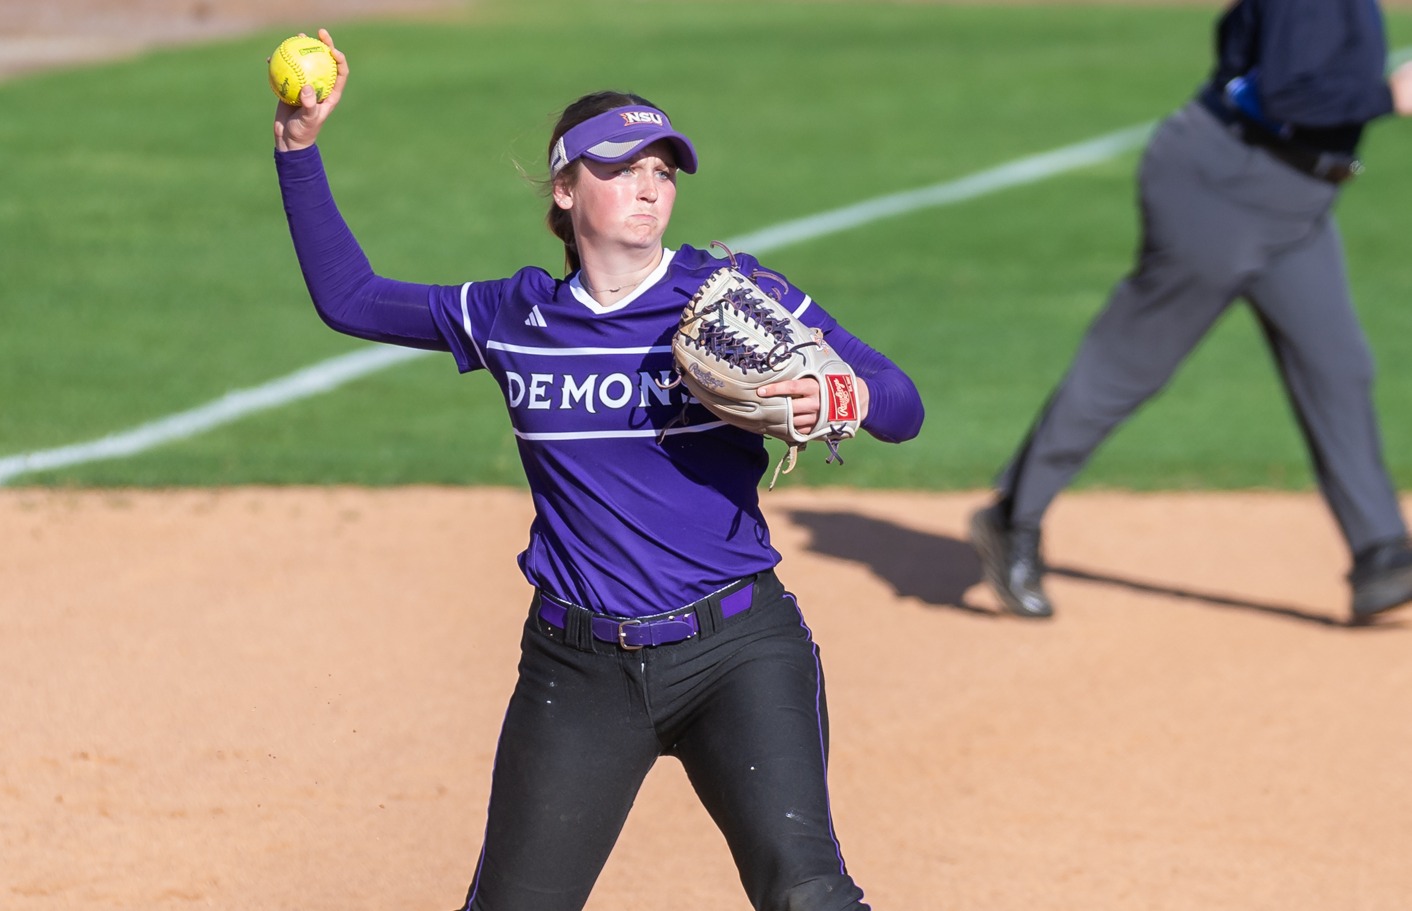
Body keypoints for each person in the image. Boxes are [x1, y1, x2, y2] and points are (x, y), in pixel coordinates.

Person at [271, 29, 923, 911]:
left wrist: (836, 400)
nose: (650, 185)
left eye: (664, 171)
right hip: (578, 672)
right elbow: (350, 298)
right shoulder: (512, 317)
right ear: (566, 188)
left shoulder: (730, 297)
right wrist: (298, 152)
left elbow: (902, 402)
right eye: (623, 168)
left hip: (736, 649)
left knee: (809, 894)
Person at [971, 0, 1412, 624]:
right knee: (1129, 366)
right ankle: (1012, 515)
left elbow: (1235, 32)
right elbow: (1291, 93)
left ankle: (1380, 552)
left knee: (1337, 364)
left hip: (1295, 201)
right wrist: (1388, 95)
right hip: (1227, 188)